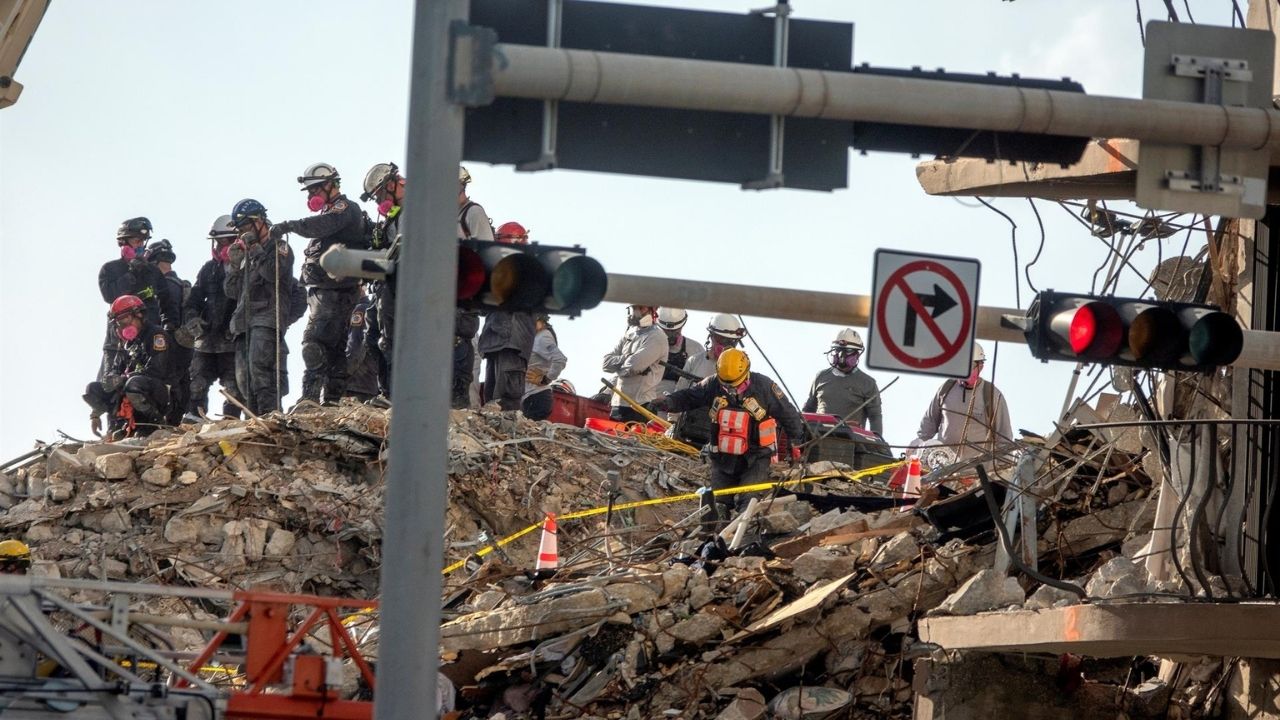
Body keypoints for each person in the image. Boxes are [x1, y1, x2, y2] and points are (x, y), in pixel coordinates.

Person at [650, 348, 808, 516]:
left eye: (734, 384)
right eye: (725, 384)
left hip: (755, 457)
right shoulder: (713, 384)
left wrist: (797, 440)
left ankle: (743, 535)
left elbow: (787, 413)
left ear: (746, 373)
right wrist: (668, 402)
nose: (731, 388)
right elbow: (689, 396)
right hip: (723, 457)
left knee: (749, 499)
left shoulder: (764, 386)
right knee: (718, 503)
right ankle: (715, 535)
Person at [272, 163, 370, 404]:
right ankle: (332, 401)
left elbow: (323, 225)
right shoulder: (333, 213)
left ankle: (310, 398)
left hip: (334, 293)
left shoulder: (344, 209)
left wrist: (290, 225)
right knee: (335, 351)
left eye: (315, 190)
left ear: (330, 185)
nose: (311, 196)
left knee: (313, 343)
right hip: (331, 291)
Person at [225, 199, 296, 416]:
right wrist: (235, 266)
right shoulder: (247, 254)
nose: (243, 233)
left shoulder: (279, 246)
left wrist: (255, 249)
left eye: (246, 227)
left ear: (259, 221)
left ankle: (271, 417)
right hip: (244, 322)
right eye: (241, 229)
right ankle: (254, 419)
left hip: (267, 317)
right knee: (244, 379)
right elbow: (231, 291)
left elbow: (272, 273)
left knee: (261, 371)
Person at [84, 295, 182, 437]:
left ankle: (156, 423)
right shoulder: (128, 344)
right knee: (93, 388)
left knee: (133, 384)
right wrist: (95, 413)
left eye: (124, 318)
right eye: (118, 322)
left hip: (163, 394)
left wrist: (123, 379)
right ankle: (124, 424)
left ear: (139, 314)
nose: (121, 325)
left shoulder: (156, 335)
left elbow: (157, 371)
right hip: (134, 389)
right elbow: (115, 371)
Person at [912, 343, 1014, 463]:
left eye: (968, 366)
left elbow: (1004, 438)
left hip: (977, 474)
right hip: (942, 469)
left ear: (980, 366)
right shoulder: (946, 388)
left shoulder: (992, 395)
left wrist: (1003, 469)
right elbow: (929, 424)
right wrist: (918, 443)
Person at [98, 217, 169, 379]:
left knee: (142, 384)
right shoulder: (109, 269)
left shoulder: (152, 271)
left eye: (143, 241)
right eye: (136, 240)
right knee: (109, 386)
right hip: (117, 344)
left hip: (147, 341)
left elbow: (166, 302)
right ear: (123, 243)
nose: (140, 245)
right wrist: (131, 273)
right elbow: (110, 295)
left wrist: (169, 327)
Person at [186, 216, 243, 418]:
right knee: (197, 384)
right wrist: (192, 318)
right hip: (207, 340)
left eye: (228, 241)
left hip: (233, 341)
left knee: (234, 388)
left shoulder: (249, 268)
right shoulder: (208, 269)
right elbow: (193, 299)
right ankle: (195, 419)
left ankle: (231, 423)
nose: (222, 246)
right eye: (219, 242)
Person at [478, 222, 537, 411]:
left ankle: (507, 435)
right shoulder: (500, 268)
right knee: (491, 400)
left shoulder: (527, 268)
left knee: (506, 400)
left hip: (513, 342)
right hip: (495, 338)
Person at [360, 161, 404, 395]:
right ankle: (386, 392)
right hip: (384, 286)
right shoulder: (394, 216)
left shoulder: (418, 208)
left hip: (402, 285)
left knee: (393, 340)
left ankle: (396, 394)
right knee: (375, 339)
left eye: (379, 196)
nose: (379, 202)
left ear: (391, 184)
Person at [672, 313, 746, 445]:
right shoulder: (695, 361)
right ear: (711, 336)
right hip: (688, 431)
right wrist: (672, 422)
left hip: (721, 434)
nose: (725, 345)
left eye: (730, 342)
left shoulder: (741, 369)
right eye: (721, 339)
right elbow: (679, 393)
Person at [144, 239, 194, 424]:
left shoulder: (163, 287)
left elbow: (160, 321)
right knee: (182, 388)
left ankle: (166, 425)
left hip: (167, 348)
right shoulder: (182, 285)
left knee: (168, 389)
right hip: (185, 348)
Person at [803, 328, 883, 436]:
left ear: (857, 354)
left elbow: (875, 417)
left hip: (850, 443)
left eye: (847, 351)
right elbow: (808, 409)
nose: (841, 355)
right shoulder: (821, 377)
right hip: (818, 438)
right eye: (838, 350)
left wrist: (877, 443)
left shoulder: (868, 383)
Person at [455, 166, 489, 407]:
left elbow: (488, 254)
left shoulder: (473, 213)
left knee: (461, 351)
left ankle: (460, 407)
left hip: (464, 298)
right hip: (444, 295)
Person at [601, 304, 667, 422]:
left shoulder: (657, 337)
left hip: (640, 407)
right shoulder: (630, 334)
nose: (636, 312)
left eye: (641, 308)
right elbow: (606, 363)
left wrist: (619, 365)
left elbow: (632, 368)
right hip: (617, 405)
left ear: (653, 311)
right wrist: (627, 358)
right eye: (634, 308)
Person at [521, 314, 569, 420]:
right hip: (532, 397)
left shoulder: (543, 337)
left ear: (542, 322)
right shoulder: (536, 338)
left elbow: (560, 359)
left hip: (536, 397)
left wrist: (546, 379)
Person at [654, 308, 702, 397]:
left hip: (681, 406)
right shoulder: (648, 347)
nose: (670, 335)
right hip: (649, 405)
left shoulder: (695, 349)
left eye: (675, 331)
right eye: (666, 331)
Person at [345, 296, 383, 402]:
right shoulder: (370, 308)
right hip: (366, 384)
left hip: (356, 383)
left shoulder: (361, 309)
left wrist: (342, 375)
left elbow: (356, 345)